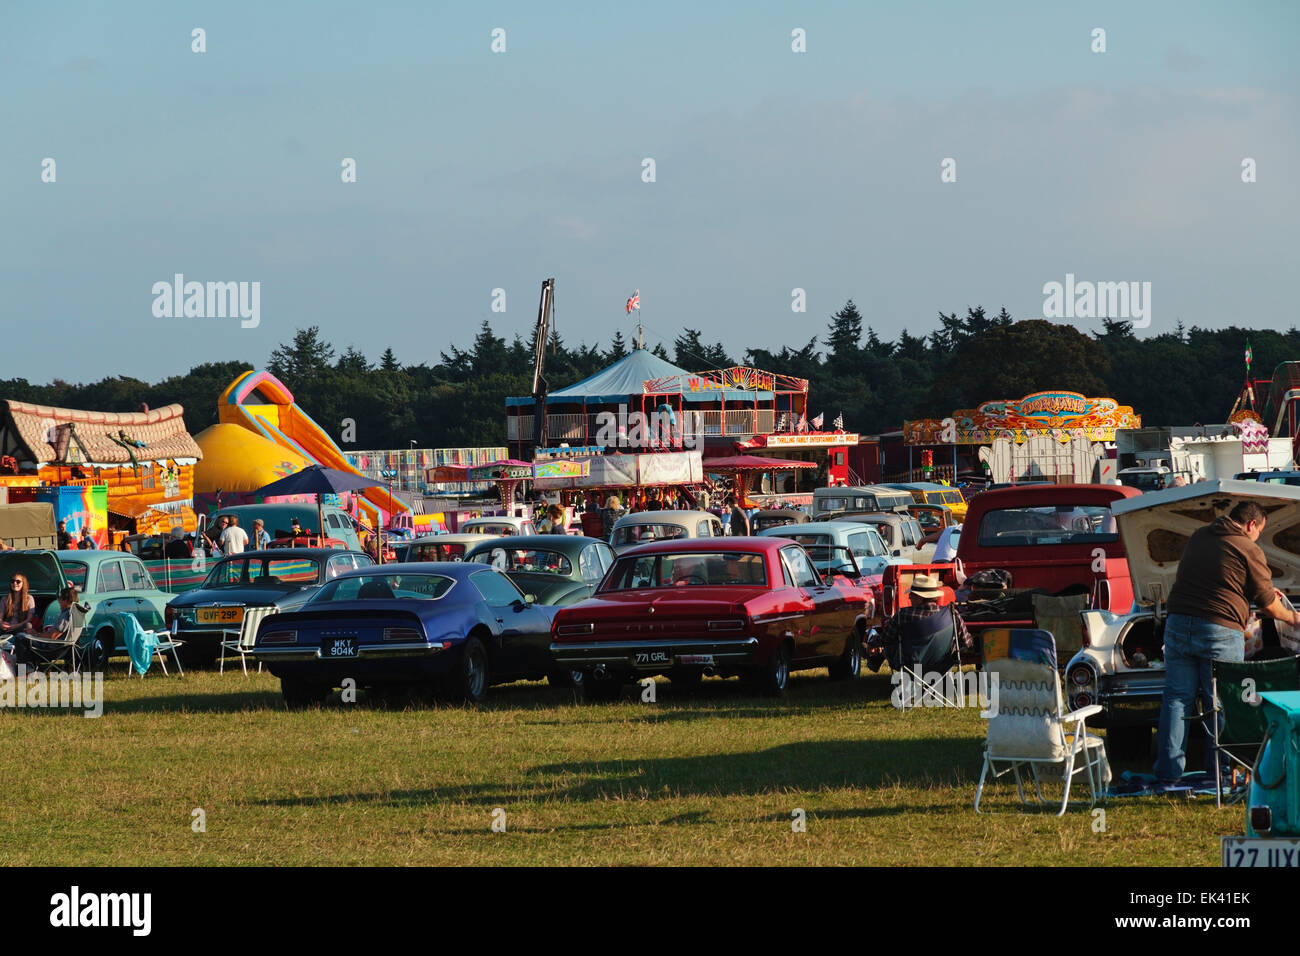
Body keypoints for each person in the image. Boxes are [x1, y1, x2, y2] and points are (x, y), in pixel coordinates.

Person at [1154, 500, 1300, 786]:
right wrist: (1293, 619)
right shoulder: (1247, 547)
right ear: (1251, 525)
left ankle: (1168, 775)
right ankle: (1219, 774)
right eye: (1259, 530)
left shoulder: (1199, 536)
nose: (1258, 536)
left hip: (1177, 624)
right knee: (1219, 700)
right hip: (1218, 629)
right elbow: (1269, 605)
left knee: (1177, 699)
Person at [865, 572, 973, 673]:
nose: (909, 597)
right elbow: (967, 642)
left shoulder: (903, 615)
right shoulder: (952, 613)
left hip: (911, 665)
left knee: (890, 645)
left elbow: (885, 639)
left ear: (920, 598)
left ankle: (873, 662)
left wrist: (871, 641)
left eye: (911, 595)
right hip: (943, 664)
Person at [1, 573, 36, 642]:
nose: (14, 583)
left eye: (18, 581)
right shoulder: (4, 599)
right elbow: (0, 616)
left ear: (23, 583)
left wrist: (15, 626)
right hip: (6, 628)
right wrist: (1, 623)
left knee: (28, 625)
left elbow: (29, 619)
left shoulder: (29, 598)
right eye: (12, 581)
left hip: (20, 627)